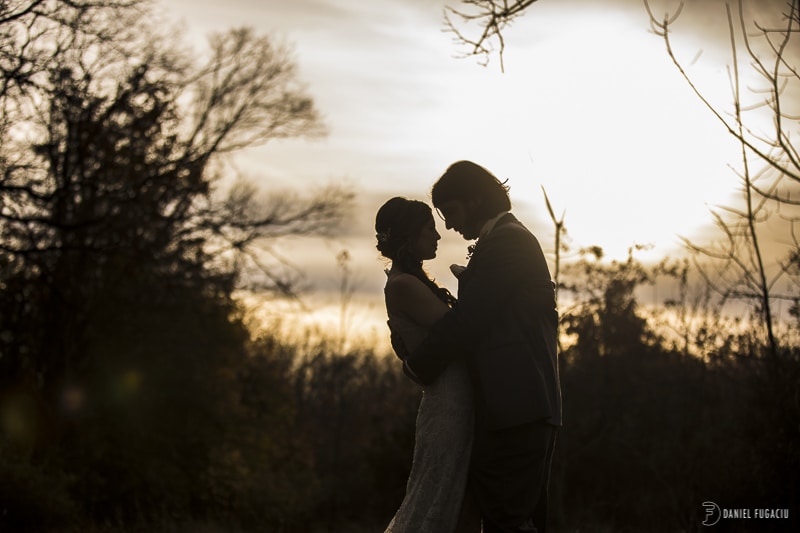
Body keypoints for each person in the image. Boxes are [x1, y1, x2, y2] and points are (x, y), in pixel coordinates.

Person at [401, 161, 562, 533]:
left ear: (474, 200)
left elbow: (471, 321)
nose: (450, 226)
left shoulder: (509, 242)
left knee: (508, 520)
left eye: (452, 212)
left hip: (519, 408)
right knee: (508, 518)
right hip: (515, 407)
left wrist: (417, 365)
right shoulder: (504, 241)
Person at [376, 197, 480, 533]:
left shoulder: (413, 281)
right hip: (449, 400)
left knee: (452, 491)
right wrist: (477, 280)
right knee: (435, 494)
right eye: (429, 231)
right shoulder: (403, 285)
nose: (437, 237)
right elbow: (459, 328)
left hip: (457, 394)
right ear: (410, 236)